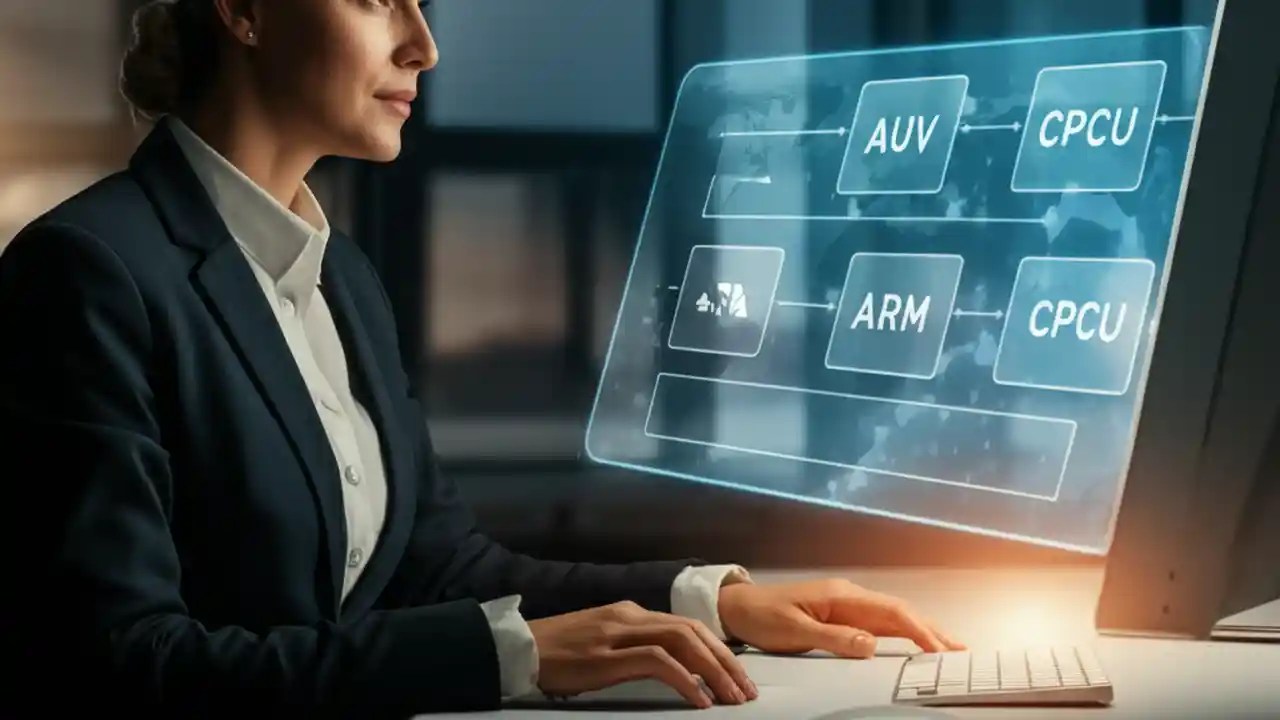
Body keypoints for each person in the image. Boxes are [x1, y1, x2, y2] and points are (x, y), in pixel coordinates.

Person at [0, 0, 964, 716]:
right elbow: (123, 663)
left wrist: (716, 599)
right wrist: (509, 654)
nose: (424, 44)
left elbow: (438, 567)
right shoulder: (87, 272)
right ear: (246, 10)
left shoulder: (344, 282)